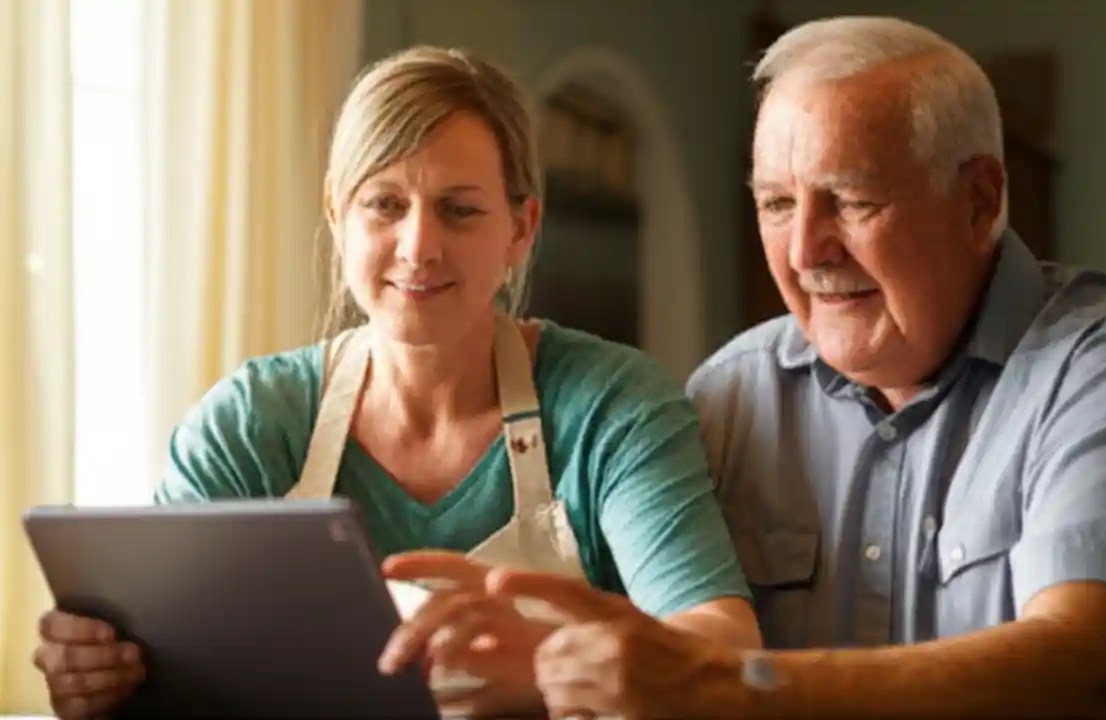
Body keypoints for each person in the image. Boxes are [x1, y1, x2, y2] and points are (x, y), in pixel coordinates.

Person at [460, 16, 1106, 719]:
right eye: (777, 204)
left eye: (851, 200)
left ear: (980, 201)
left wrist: (727, 683)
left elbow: (1078, 672)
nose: (806, 249)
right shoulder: (728, 396)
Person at [29, 45, 759, 720]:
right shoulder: (249, 424)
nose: (418, 247)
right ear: (336, 215)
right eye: (385, 204)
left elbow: (722, 646)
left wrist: (545, 665)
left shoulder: (614, 408)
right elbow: (169, 662)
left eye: (460, 209)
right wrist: (105, 673)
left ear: (520, 228)